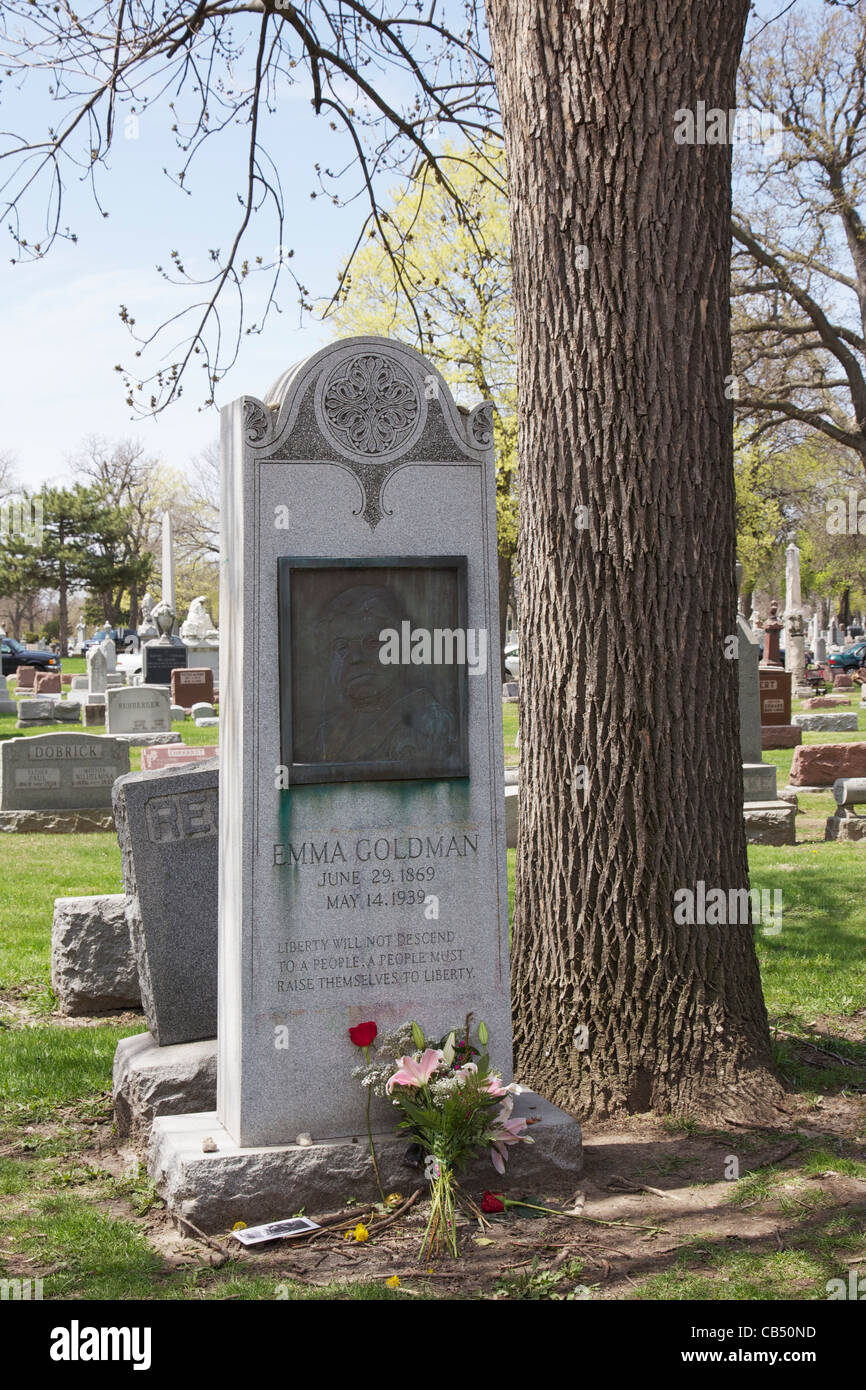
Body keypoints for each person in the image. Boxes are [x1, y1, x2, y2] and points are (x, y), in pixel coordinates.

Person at [301, 583, 457, 766]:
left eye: (372, 642)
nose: (356, 658)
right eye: (342, 646)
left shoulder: (433, 724)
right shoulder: (325, 735)